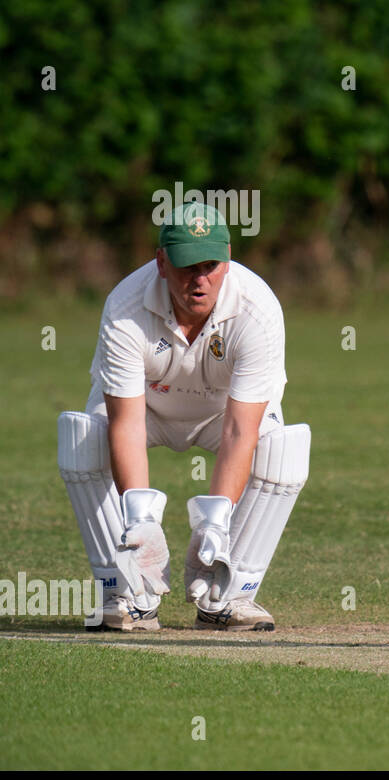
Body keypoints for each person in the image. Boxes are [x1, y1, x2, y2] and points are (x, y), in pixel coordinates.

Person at [57, 203, 310, 632]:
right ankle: (126, 592)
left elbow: (239, 429)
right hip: (146, 410)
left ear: (227, 259)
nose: (199, 279)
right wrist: (140, 521)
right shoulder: (125, 305)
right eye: (185, 266)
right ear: (160, 261)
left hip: (220, 415)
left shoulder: (258, 310)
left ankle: (227, 596)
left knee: (280, 449)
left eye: (210, 265)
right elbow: (127, 424)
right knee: (83, 439)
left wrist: (215, 523)